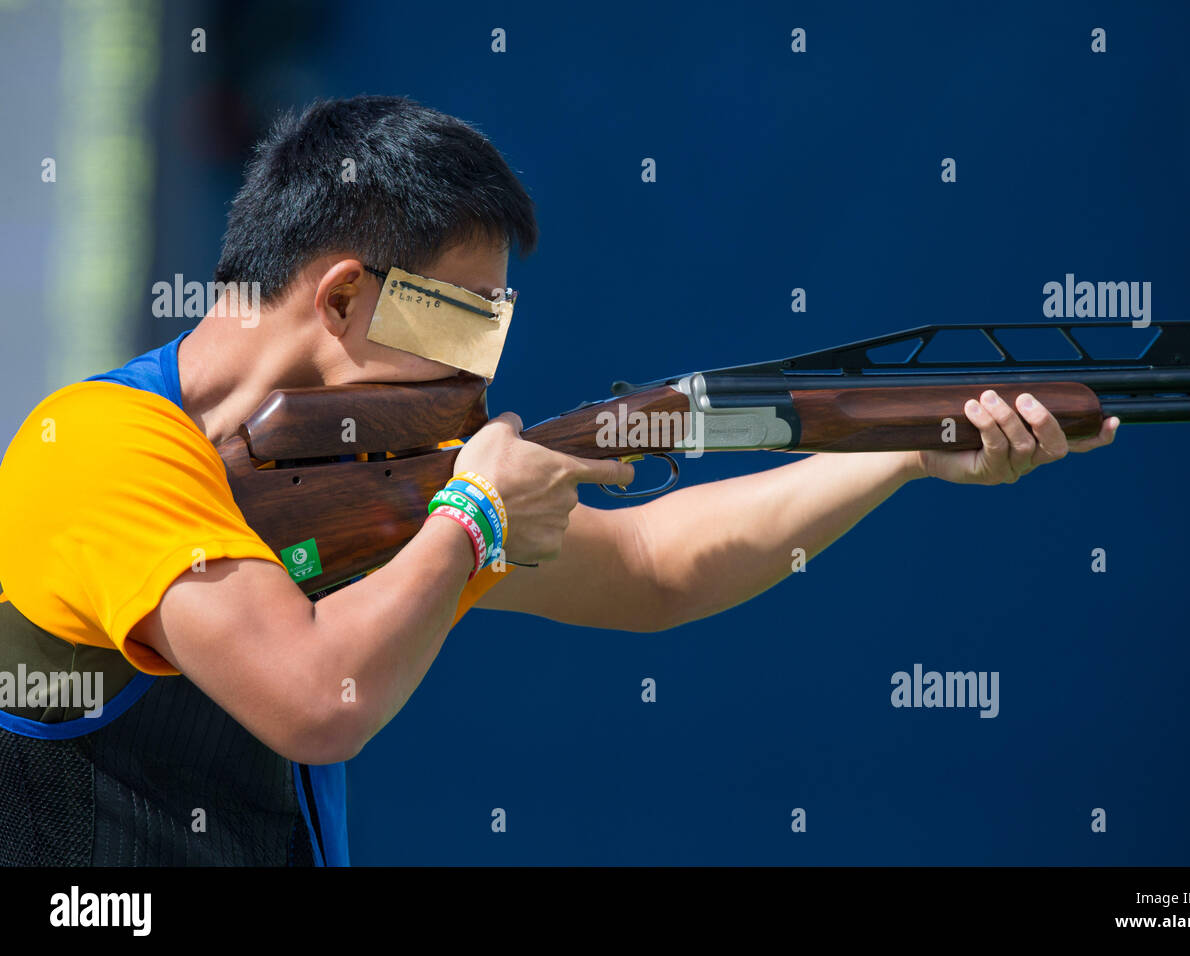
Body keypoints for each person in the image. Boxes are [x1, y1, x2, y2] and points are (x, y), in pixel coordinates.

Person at [0, 95, 1118, 866]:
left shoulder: (349, 477)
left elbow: (652, 567)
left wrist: (896, 448)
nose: (483, 366)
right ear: (341, 299)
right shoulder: (98, 445)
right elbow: (312, 699)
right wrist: (472, 514)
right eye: (462, 321)